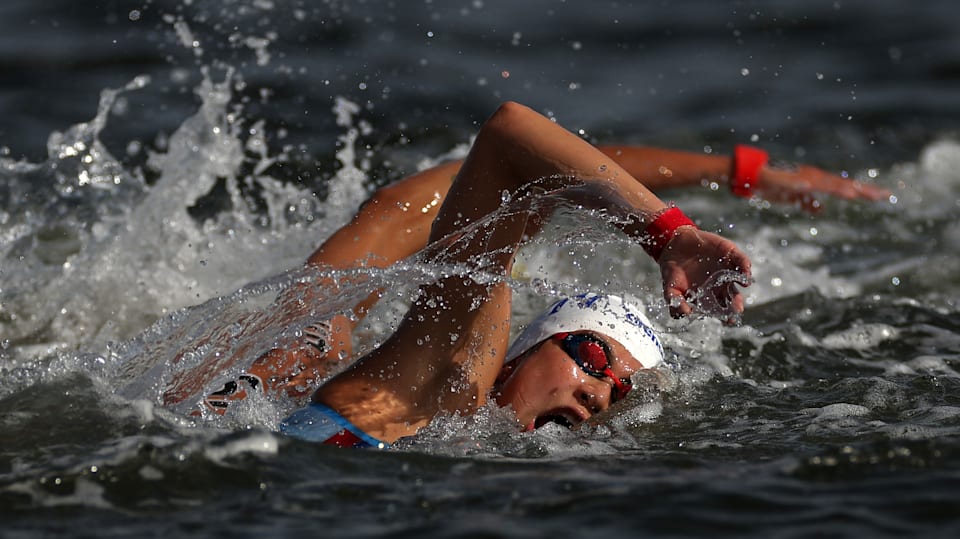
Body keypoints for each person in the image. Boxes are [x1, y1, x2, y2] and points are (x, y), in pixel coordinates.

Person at [180, 101, 890, 447]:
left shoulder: (474, 445)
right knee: (345, 280)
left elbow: (555, 169)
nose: (599, 392)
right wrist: (675, 227)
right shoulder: (439, 380)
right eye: (592, 357)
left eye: (617, 392)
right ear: (519, 348)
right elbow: (519, 143)